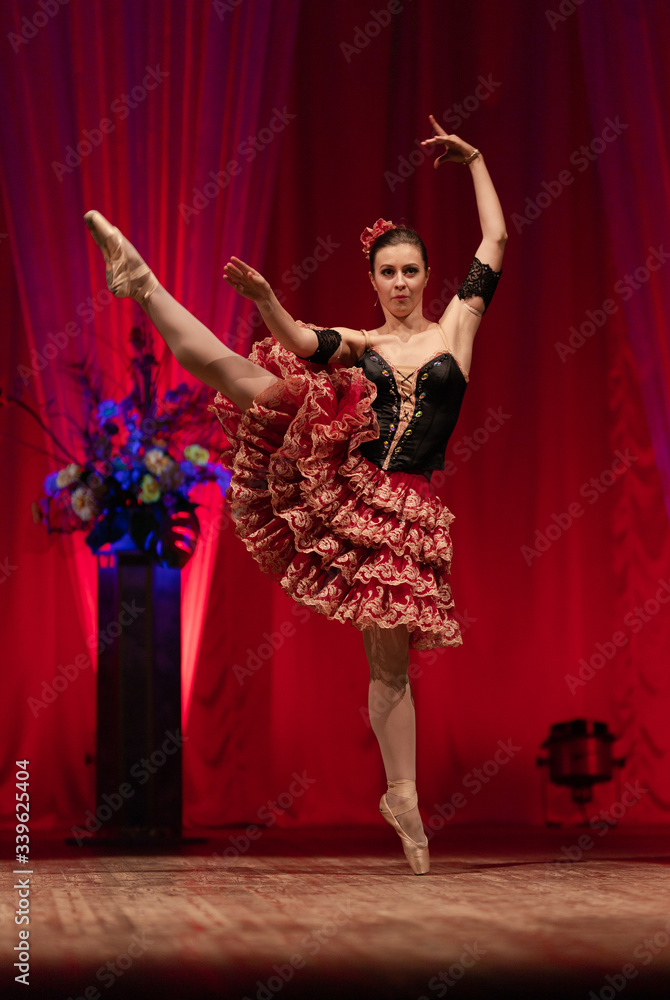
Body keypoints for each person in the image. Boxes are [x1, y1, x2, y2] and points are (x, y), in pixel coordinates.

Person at [83, 115, 507, 875]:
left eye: (411, 271)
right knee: (240, 376)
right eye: (388, 272)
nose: (401, 283)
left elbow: (496, 242)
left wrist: (475, 160)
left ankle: (400, 795)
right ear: (373, 280)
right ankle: (142, 283)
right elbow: (307, 344)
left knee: (390, 663)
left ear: (426, 275)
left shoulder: (457, 329)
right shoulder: (366, 343)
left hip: (406, 508)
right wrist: (269, 300)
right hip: (345, 477)